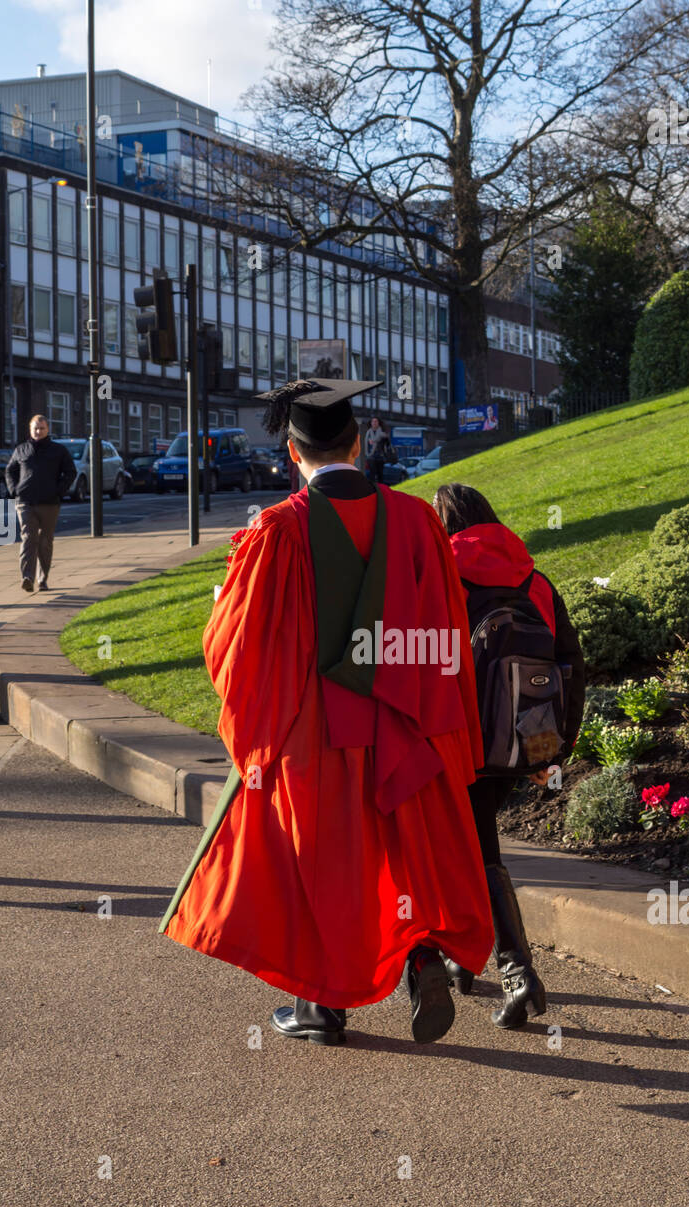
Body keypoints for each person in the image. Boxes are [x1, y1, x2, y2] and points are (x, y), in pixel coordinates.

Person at [159, 379, 494, 1046]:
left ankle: (320, 1010)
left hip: (316, 733)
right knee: (402, 855)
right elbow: (446, 629)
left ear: (290, 453)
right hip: (403, 724)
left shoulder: (275, 531)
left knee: (319, 867)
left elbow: (238, 649)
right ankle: (421, 957)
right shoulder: (415, 520)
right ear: (360, 441)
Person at [433, 482, 586, 1028]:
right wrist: (553, 750)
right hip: (521, 743)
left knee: (470, 851)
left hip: (459, 742)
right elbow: (569, 668)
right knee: (473, 846)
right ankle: (464, 960)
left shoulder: (442, 573)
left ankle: (519, 976)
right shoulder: (535, 579)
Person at [5, 416, 75, 593]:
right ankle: (27, 577)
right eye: (35, 428)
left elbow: (70, 472)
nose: (38, 432)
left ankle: (43, 579)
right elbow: (10, 470)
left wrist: (59, 491)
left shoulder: (58, 450)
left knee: (45, 541)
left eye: (42, 428)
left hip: (49, 503)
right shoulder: (21, 449)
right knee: (28, 538)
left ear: (48, 429)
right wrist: (14, 490)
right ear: (30, 429)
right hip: (25, 502)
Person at [363, 416, 390, 484]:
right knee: (372, 474)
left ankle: (380, 489)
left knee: (380, 474)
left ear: (379, 423)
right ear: (371, 423)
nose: (374, 423)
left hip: (380, 456)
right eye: (373, 421)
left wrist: (379, 441)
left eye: (376, 421)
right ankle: (374, 489)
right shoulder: (368, 433)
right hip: (370, 456)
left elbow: (387, 444)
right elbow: (366, 444)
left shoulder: (383, 433)